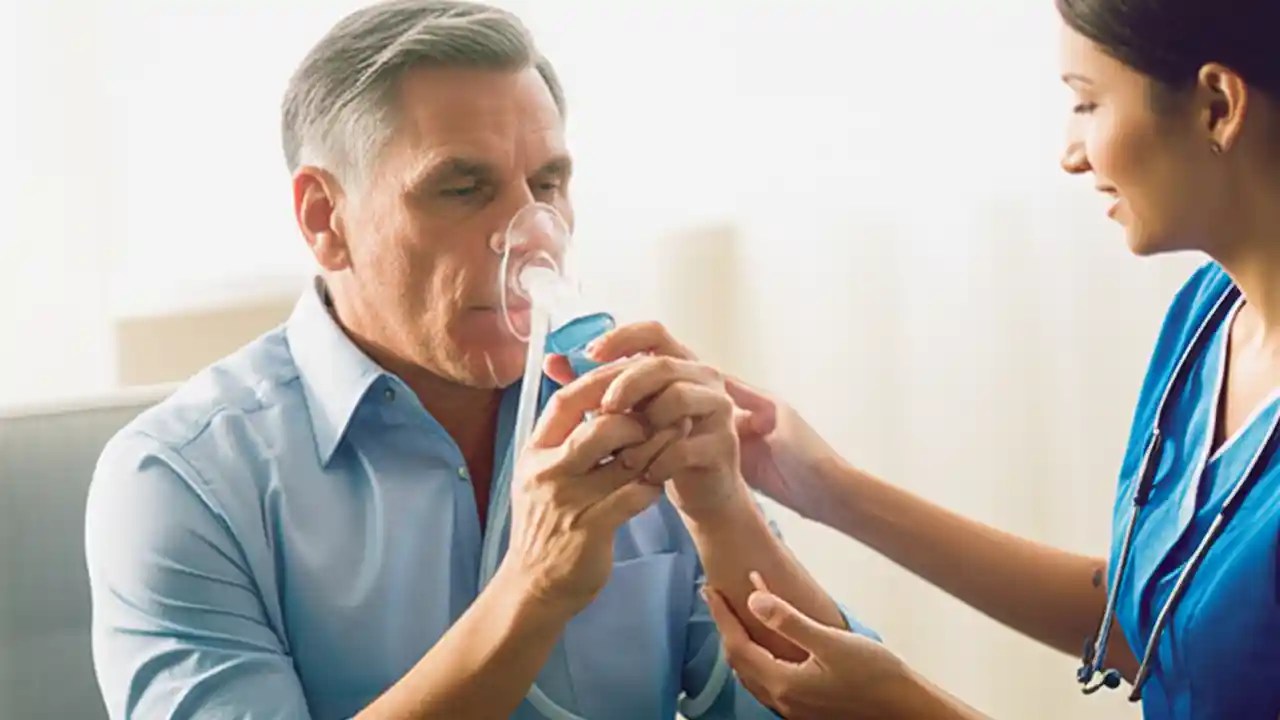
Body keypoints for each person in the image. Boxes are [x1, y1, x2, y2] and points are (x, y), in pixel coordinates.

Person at [83, 2, 879, 718]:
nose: (528, 233)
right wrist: (533, 590)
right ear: (326, 219)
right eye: (462, 189)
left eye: (548, 183)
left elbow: (846, 709)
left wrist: (723, 512)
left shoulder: (631, 416)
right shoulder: (186, 485)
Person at [567, 0, 1280, 717]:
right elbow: (1161, 623)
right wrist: (829, 490)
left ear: (1217, 105)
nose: (1071, 152)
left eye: (1087, 104)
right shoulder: (1207, 318)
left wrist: (902, 705)